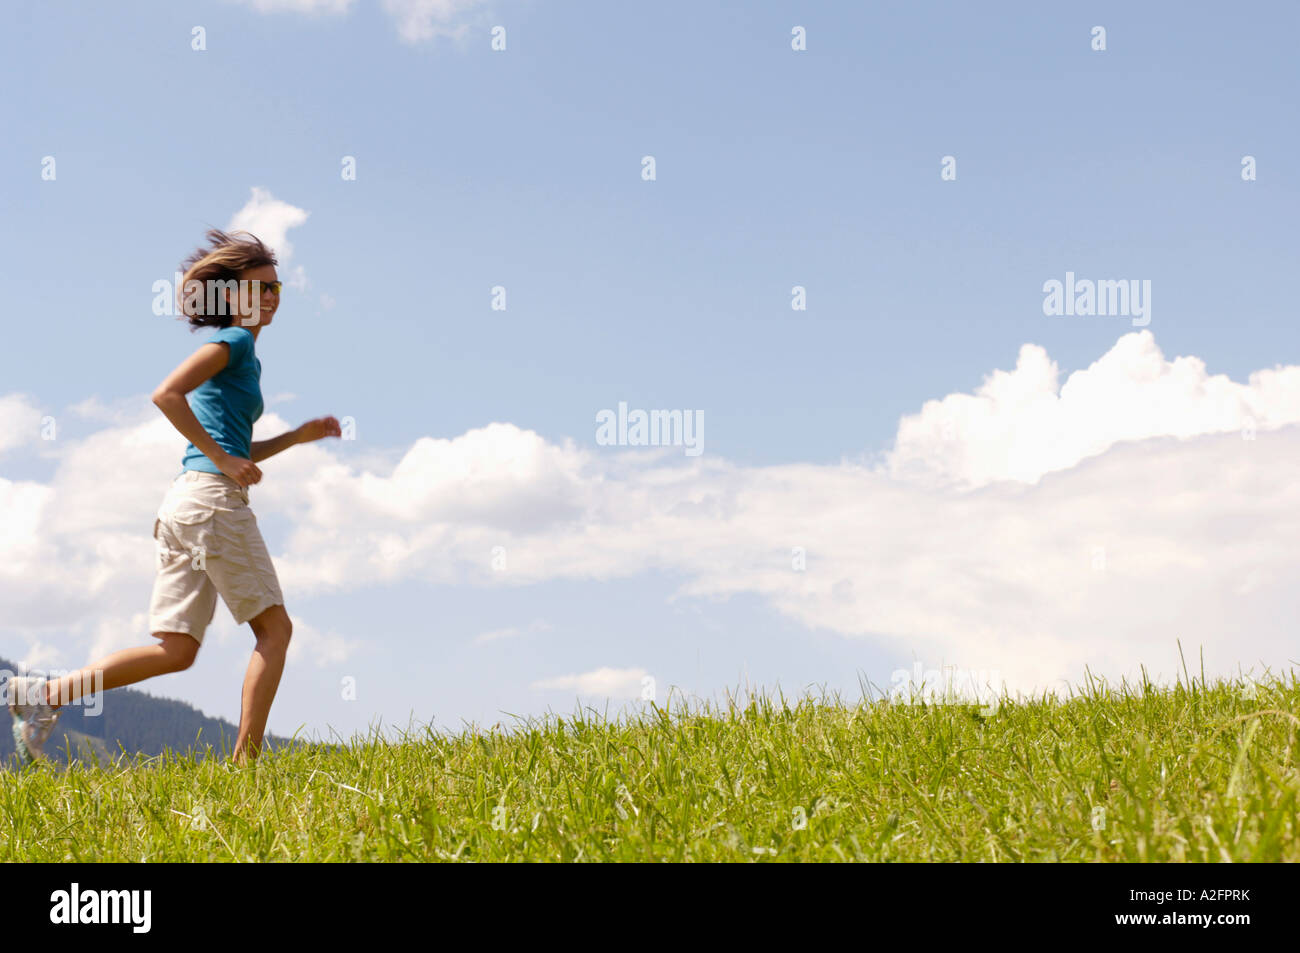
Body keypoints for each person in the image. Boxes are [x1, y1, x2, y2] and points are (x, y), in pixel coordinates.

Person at [7, 229, 340, 766]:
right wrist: (225, 460)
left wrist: (294, 437)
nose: (273, 297)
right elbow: (166, 394)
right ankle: (246, 768)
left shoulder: (244, 355)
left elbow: (238, 447)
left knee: (176, 651)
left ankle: (44, 696)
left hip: (185, 505)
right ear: (230, 296)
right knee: (275, 631)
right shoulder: (232, 343)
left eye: (278, 288)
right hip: (211, 502)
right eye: (261, 288)